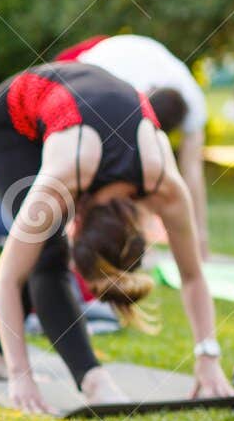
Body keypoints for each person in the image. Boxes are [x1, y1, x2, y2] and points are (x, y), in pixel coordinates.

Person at [0, 62, 232, 413]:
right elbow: (7, 279)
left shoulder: (164, 184)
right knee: (46, 254)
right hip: (14, 121)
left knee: (40, 250)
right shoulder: (64, 177)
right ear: (79, 222)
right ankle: (91, 378)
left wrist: (208, 356)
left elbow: (192, 275)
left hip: (86, 106)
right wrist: (20, 374)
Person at [55, 34, 212, 258]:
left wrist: (200, 236)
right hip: (84, 70)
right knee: (96, 169)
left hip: (131, 55)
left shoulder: (195, 107)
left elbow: (192, 171)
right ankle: (74, 236)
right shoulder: (119, 94)